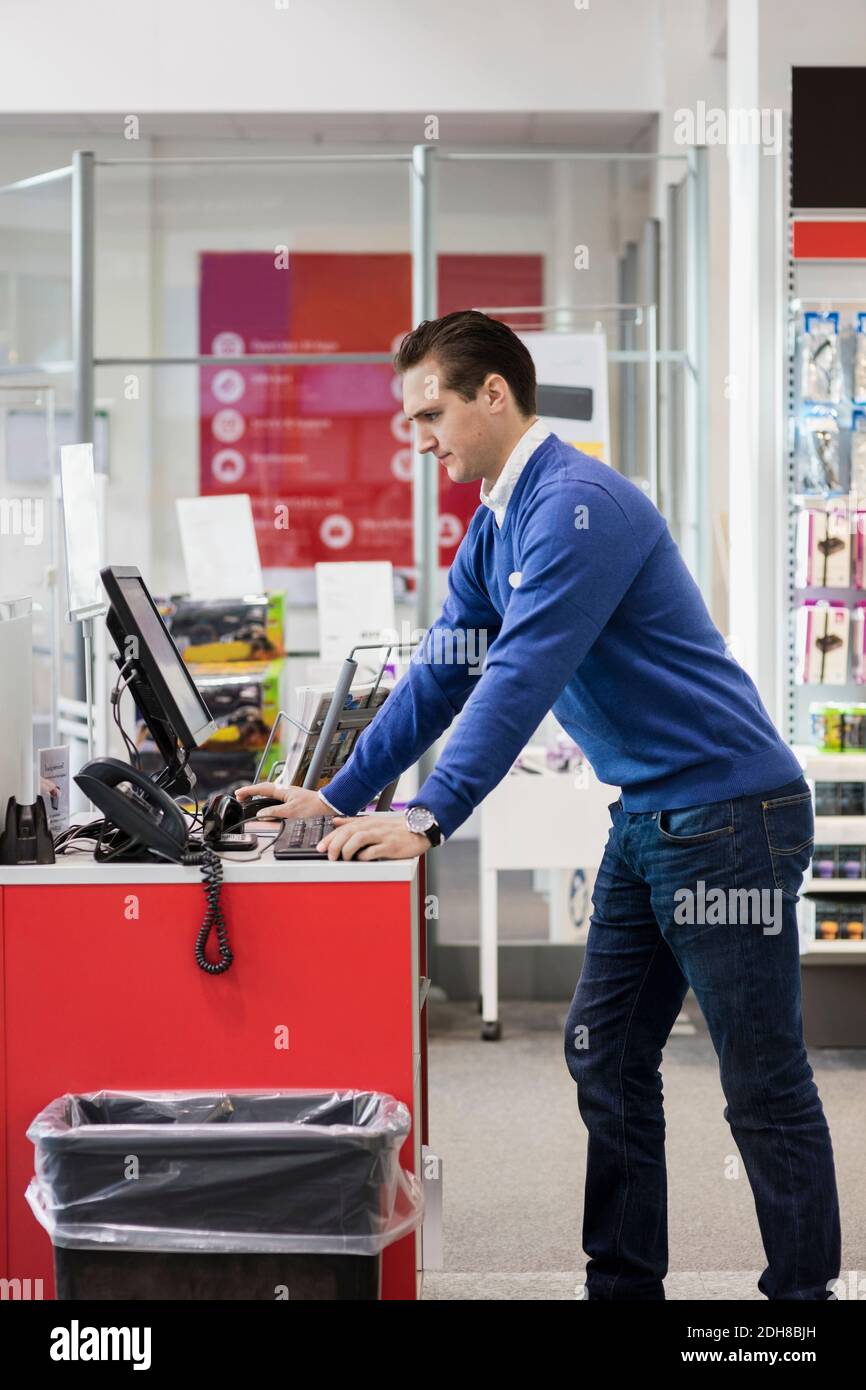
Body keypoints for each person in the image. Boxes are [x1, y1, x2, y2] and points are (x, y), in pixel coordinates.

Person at [237, 308, 840, 1301]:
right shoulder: (496, 522)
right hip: (649, 815)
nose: (417, 435)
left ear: (491, 393)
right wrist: (337, 793)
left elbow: (518, 671)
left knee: (759, 1079)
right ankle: (622, 1283)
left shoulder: (575, 508)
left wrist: (431, 812)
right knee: (600, 1052)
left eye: (429, 411)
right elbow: (445, 669)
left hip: (731, 815)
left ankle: (800, 1304)